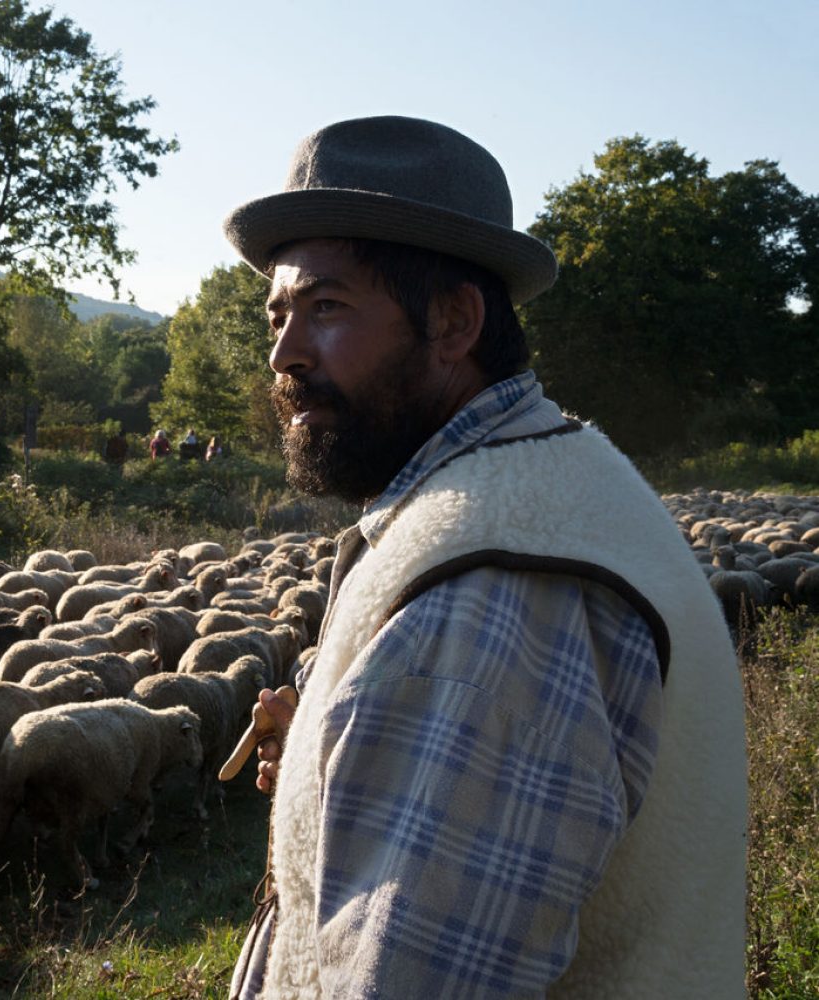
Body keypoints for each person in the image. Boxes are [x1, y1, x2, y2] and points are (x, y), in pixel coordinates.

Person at [222, 116, 746, 999]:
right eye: (277, 314)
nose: (283, 355)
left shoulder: (493, 594)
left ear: (455, 322)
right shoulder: (547, 484)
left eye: (327, 307)